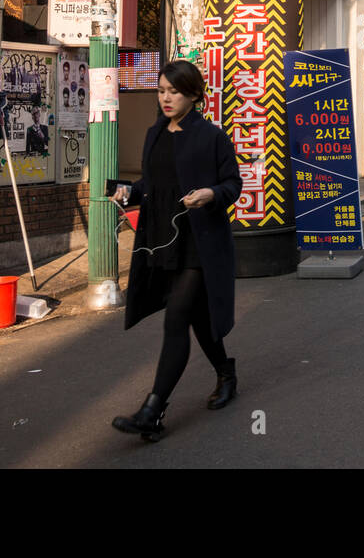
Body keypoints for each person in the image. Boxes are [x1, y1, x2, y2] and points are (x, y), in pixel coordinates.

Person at [110, 61, 243, 442]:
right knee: (198, 318)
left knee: (176, 319)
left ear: (194, 96)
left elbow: (232, 183)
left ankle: (153, 410)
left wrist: (211, 194)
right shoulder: (155, 133)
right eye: (162, 90)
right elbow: (150, 184)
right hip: (163, 240)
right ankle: (226, 371)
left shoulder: (211, 137)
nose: (166, 98)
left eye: (175, 92)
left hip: (200, 242)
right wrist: (127, 192)